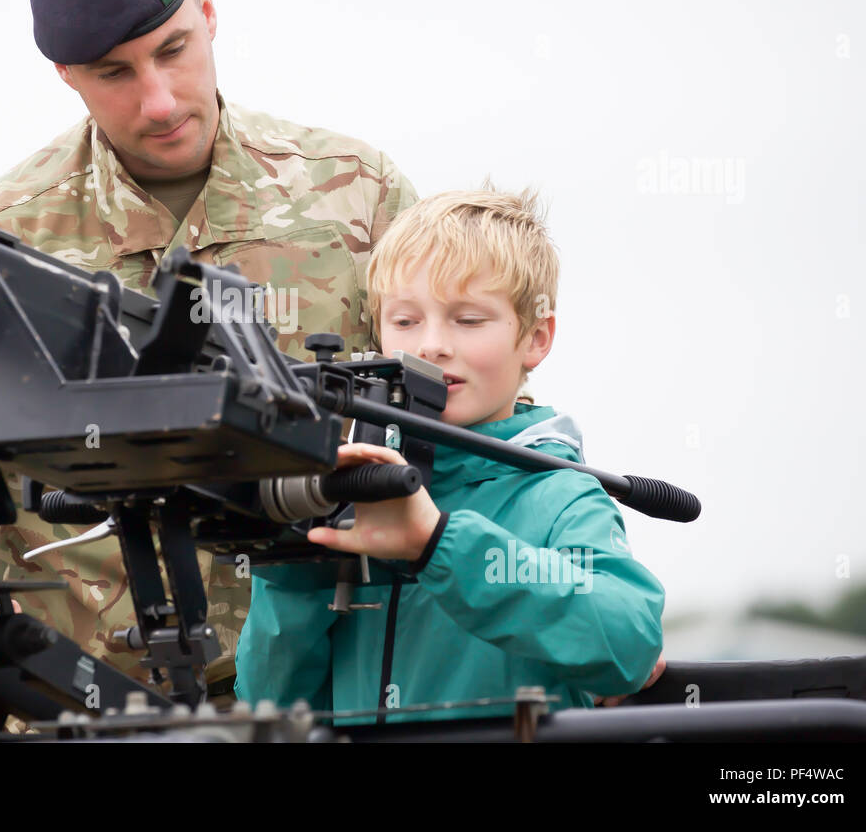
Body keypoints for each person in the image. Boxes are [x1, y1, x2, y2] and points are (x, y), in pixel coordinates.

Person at [0, 0, 418, 708]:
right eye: (114, 73)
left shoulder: (358, 195)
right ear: (67, 77)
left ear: (209, 11)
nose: (158, 101)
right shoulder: (3, 243)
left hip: (328, 695)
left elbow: (471, 416)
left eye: (174, 50)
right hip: (72, 705)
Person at [234, 186, 667, 721]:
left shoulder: (559, 495)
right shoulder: (352, 489)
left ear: (535, 337)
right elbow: (269, 707)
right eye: (405, 321)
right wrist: (295, 568)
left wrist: (438, 545)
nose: (431, 345)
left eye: (467, 320)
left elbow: (629, 644)